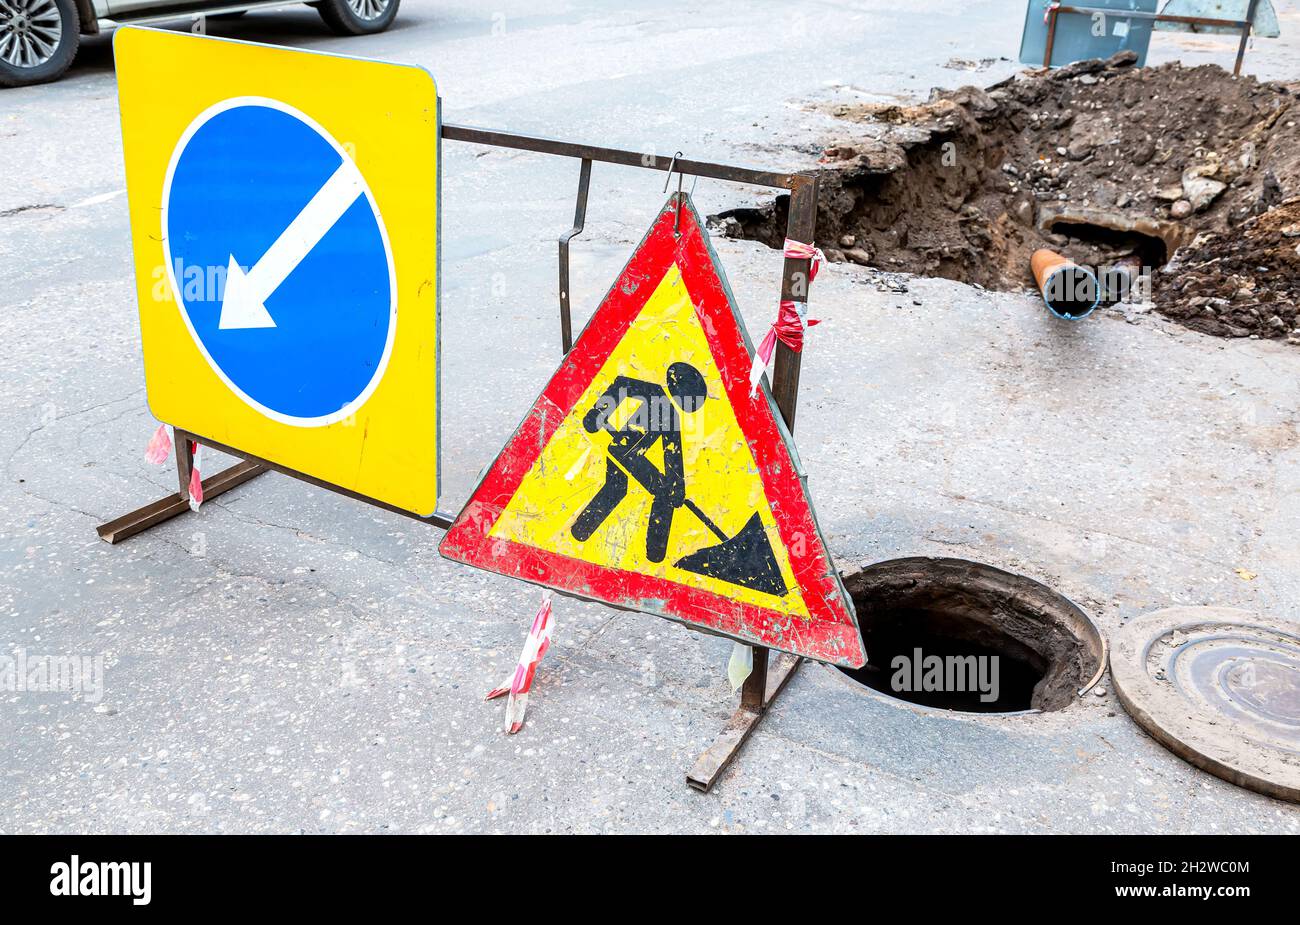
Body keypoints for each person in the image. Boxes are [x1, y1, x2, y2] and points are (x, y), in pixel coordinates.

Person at [570, 362, 707, 563]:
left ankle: (580, 530)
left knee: (616, 488)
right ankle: (655, 555)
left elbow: (672, 457)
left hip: (621, 448)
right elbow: (622, 385)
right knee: (663, 495)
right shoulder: (655, 395)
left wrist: (678, 488)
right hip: (627, 451)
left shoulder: (670, 413)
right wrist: (596, 414)